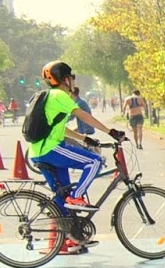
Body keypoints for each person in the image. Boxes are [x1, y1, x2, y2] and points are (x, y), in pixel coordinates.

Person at [29, 61, 126, 247]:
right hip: (51, 149)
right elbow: (83, 115)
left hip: (39, 151)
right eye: (71, 77)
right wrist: (110, 131)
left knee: (62, 196)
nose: (73, 81)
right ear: (65, 79)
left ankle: (73, 237)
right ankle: (78, 196)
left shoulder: (51, 96)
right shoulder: (60, 95)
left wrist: (84, 139)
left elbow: (59, 128)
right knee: (95, 162)